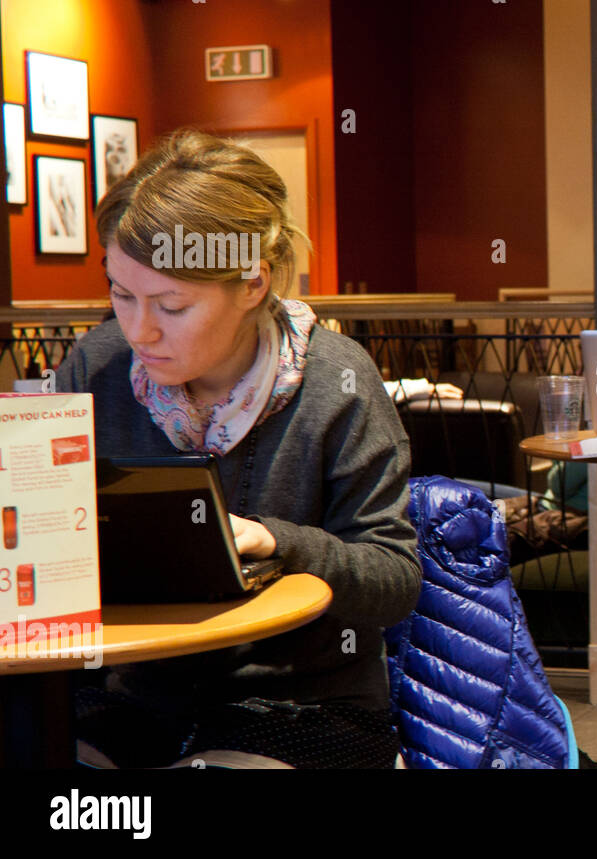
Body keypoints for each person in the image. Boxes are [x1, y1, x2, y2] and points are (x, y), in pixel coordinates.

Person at [55, 129, 422, 768]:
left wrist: (276, 542)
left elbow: (393, 579)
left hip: (302, 704)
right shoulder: (96, 366)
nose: (138, 329)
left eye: (171, 304)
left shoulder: (336, 381)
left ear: (251, 284)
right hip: (131, 695)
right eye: (121, 294)